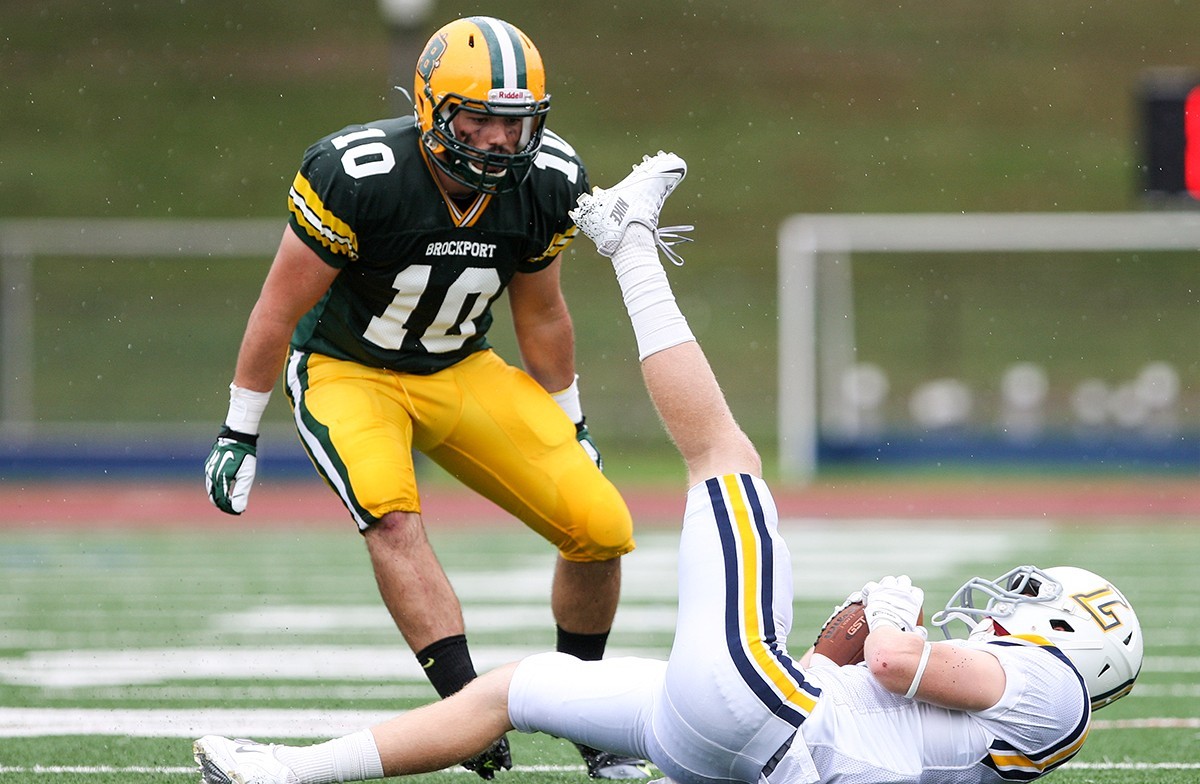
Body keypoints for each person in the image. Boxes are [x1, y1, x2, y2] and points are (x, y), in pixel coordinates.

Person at [194, 151, 1145, 784]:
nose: (1004, 608)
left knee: (724, 455)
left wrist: (892, 624)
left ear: (1074, 635)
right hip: (733, 746)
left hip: (766, 724)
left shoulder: (1053, 686)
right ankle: (290, 771)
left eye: (1028, 599)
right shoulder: (1029, 722)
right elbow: (863, 695)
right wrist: (846, 645)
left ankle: (628, 242)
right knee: (510, 691)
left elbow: (897, 662)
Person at [201, 15, 649, 780]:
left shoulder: (548, 180)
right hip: (349, 370)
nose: (501, 141)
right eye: (480, 120)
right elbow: (277, 310)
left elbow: (541, 314)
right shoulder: (359, 170)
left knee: (600, 523)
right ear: (430, 108)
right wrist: (240, 429)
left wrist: (570, 421)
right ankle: (464, 709)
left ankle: (585, 706)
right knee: (392, 515)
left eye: (518, 123)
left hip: (458, 368)